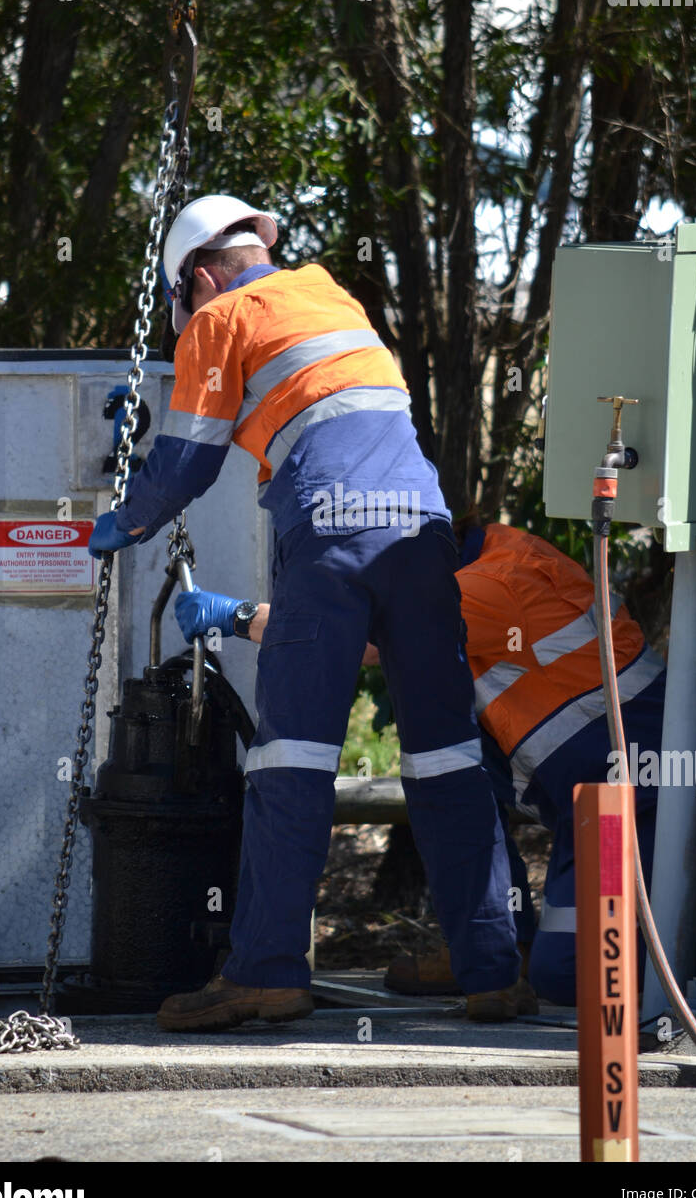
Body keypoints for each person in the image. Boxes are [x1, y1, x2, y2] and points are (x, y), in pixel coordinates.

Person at [89, 194, 534, 1030]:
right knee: (447, 759)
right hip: (421, 535)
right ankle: (492, 973)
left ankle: (264, 971)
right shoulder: (330, 294)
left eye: (178, 303)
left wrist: (124, 520)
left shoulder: (224, 316)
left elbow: (186, 459)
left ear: (200, 275)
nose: (182, 321)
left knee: (289, 762)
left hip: (328, 533)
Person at [184, 517, 696, 1007]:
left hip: (643, 801)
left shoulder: (500, 579)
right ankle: (506, 940)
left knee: (573, 976)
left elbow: (361, 642)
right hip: (595, 809)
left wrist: (237, 616)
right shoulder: (471, 563)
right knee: (450, 754)